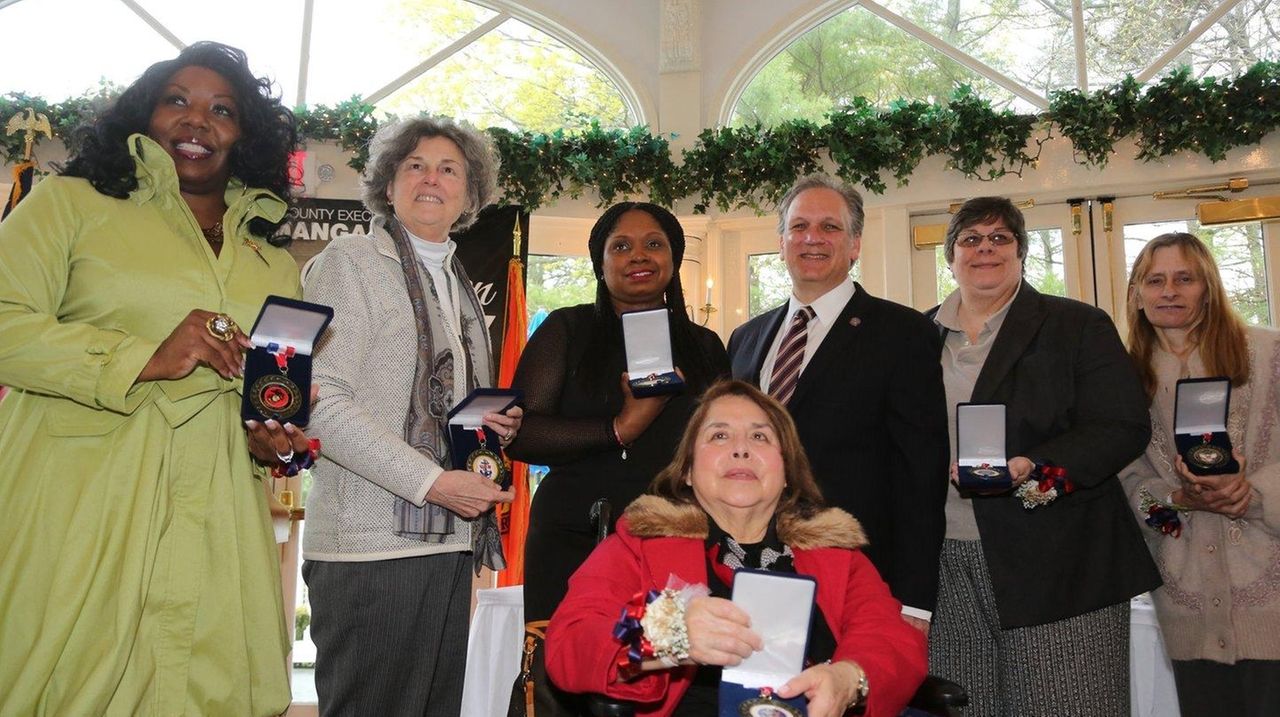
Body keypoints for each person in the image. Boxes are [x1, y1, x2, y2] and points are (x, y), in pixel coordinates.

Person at [0, 42, 311, 715]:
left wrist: (274, 442)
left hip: (219, 518)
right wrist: (145, 355)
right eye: (178, 100)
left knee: (211, 687)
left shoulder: (273, 264)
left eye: (221, 110)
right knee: (59, 683)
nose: (198, 120)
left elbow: (271, 398)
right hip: (79, 503)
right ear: (144, 115)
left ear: (245, 134)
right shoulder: (70, 205)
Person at [300, 115, 521, 717]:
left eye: (449, 168)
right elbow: (320, 401)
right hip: (369, 548)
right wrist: (432, 481)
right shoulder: (349, 262)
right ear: (387, 184)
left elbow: (437, 404)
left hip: (446, 544)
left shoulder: (456, 279)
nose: (431, 178)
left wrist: (485, 427)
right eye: (414, 165)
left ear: (470, 194)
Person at [544, 380, 927, 717]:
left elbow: (892, 641)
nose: (741, 449)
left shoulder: (835, 553)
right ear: (688, 472)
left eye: (760, 437)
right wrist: (668, 632)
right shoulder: (640, 543)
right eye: (719, 436)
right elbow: (569, 644)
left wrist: (849, 678)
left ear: (787, 472)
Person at [925, 196, 1161, 715]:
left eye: (1000, 238)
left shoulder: (1075, 324)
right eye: (970, 239)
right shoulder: (918, 335)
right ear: (950, 255)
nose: (985, 249)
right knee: (969, 707)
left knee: (1065, 703)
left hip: (1059, 560)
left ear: (1022, 252)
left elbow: (1122, 425)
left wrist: (1035, 467)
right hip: (944, 562)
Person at [505, 201, 729, 714]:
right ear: (599, 262)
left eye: (654, 243)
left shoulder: (705, 347)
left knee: (661, 675)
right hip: (572, 538)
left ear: (673, 258)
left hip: (671, 544)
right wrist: (619, 427)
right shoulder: (567, 330)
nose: (638, 256)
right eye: (620, 246)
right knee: (569, 677)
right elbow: (522, 435)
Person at [727, 173, 948, 631]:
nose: (812, 238)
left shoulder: (902, 334)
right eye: (799, 226)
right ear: (782, 241)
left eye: (830, 227)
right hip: (747, 573)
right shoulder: (746, 340)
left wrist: (914, 600)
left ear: (855, 245)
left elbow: (921, 475)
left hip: (859, 578)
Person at [1120, 232, 1280, 717]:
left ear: (1207, 287)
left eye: (1184, 278)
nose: (1169, 290)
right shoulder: (1122, 378)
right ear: (1138, 294)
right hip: (1184, 599)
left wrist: (1252, 494)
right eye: (1156, 280)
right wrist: (1173, 497)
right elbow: (1125, 484)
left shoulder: (1270, 355)